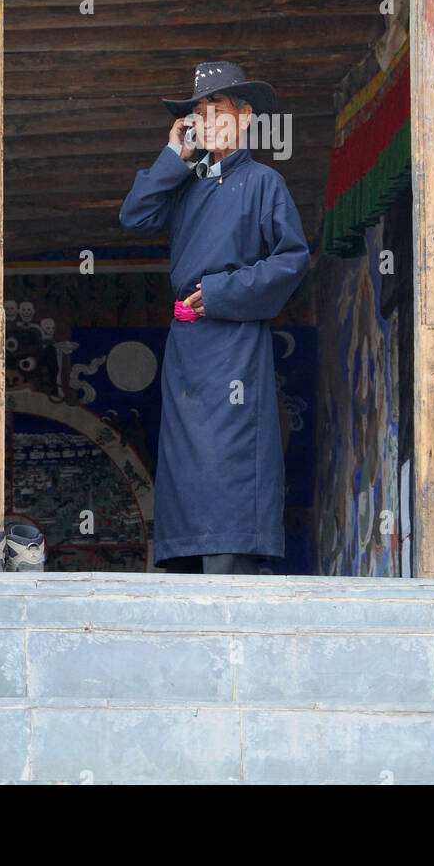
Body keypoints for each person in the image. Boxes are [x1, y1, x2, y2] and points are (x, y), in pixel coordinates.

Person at [118, 61, 310, 574]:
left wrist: (224, 292)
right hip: (186, 348)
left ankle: (235, 568)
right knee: (187, 466)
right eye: (198, 113)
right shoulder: (183, 183)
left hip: (236, 346)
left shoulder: (264, 182)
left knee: (230, 463)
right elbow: (133, 216)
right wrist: (172, 154)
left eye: (217, 109)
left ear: (245, 119)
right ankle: (183, 566)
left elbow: (293, 261)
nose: (207, 119)